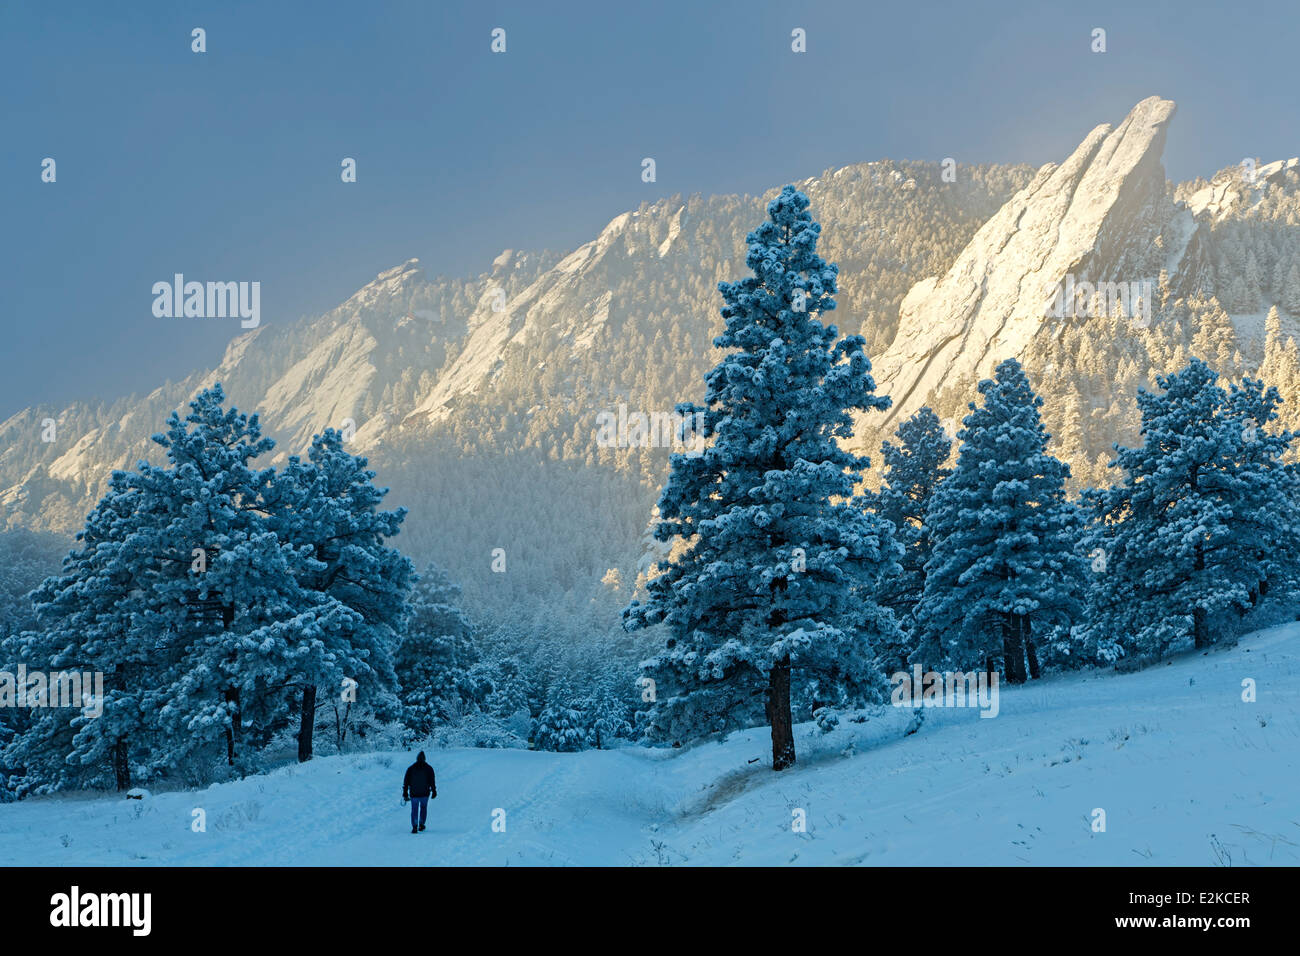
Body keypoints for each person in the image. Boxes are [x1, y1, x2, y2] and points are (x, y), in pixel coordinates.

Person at [402, 751, 437, 834]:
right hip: (425, 793)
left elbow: (406, 781)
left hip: (414, 793)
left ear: (417, 758)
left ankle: (414, 826)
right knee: (423, 808)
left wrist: (405, 792)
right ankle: (421, 824)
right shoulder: (429, 768)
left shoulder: (411, 768)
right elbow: (432, 781)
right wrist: (434, 791)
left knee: (414, 809)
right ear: (424, 758)